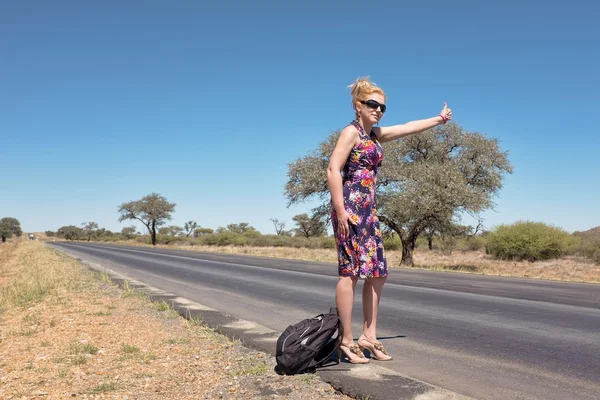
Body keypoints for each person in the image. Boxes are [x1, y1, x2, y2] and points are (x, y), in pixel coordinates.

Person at [326, 77, 452, 363]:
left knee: (378, 273)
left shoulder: (374, 135)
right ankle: (346, 341)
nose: (379, 110)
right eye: (373, 104)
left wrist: (439, 119)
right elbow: (333, 169)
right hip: (349, 209)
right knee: (351, 272)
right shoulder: (351, 132)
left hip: (369, 212)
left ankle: (369, 336)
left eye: (383, 106)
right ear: (358, 106)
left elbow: (407, 128)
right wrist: (341, 209)